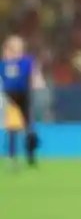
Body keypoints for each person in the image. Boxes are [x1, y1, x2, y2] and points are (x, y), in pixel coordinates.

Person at [2, 36, 44, 168]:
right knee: (12, 128)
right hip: (10, 99)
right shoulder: (3, 65)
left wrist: (38, 81)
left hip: (24, 97)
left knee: (30, 129)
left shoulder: (26, 62)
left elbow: (35, 74)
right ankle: (12, 157)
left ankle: (30, 154)